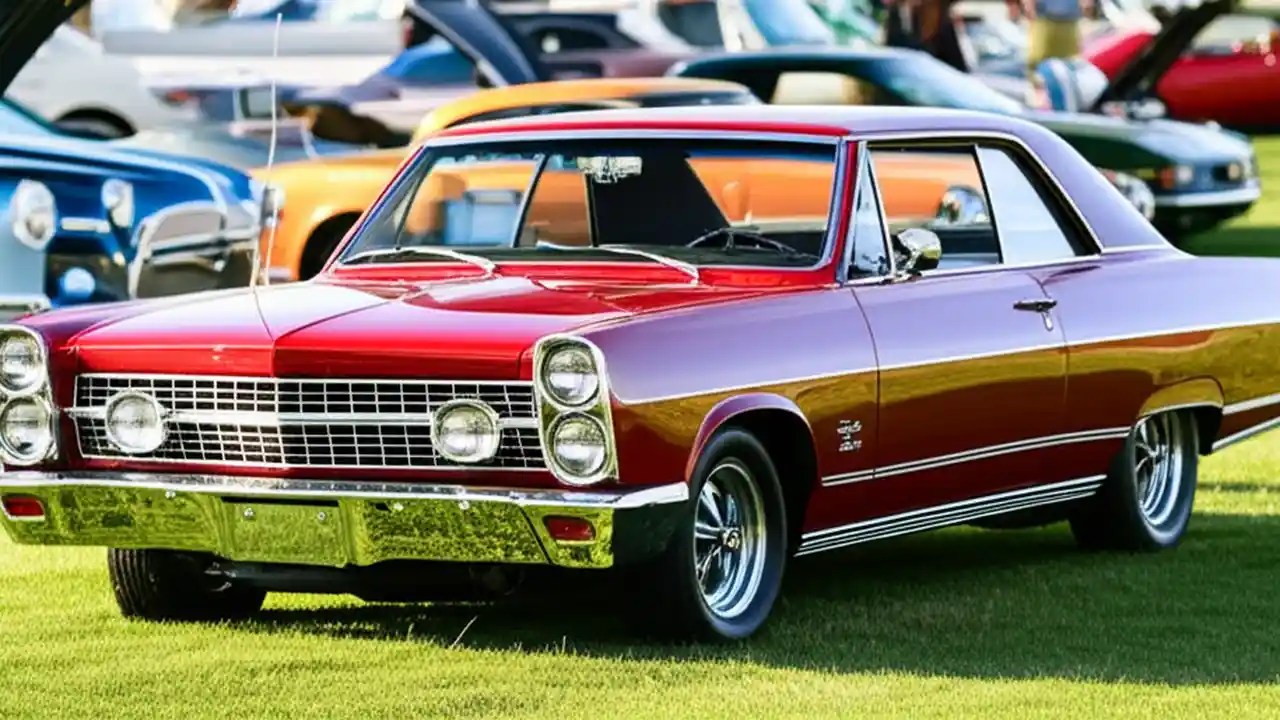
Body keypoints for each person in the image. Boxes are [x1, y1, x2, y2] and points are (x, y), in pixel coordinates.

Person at [1007, 0, 1092, 79]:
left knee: (1070, 63)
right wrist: (1029, 6)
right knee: (1037, 61)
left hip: (1069, 21)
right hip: (1044, 19)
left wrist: (1086, 4)